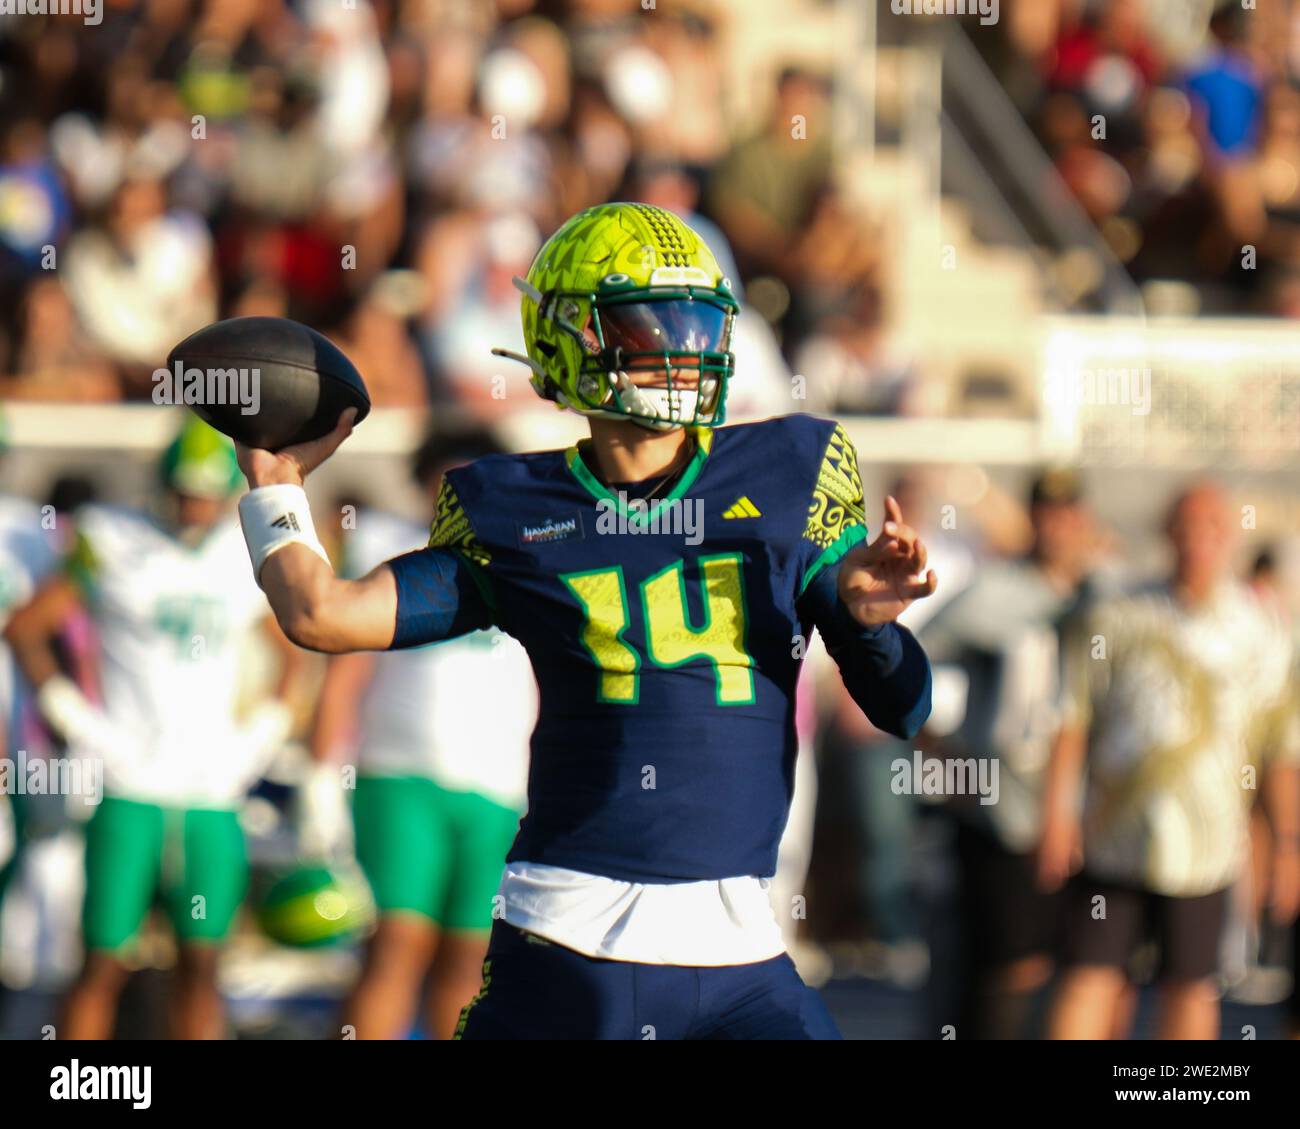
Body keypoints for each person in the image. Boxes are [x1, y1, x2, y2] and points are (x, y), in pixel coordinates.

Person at [233, 202, 935, 1040]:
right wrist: (275, 488)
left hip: (740, 946)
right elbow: (320, 613)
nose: (683, 350)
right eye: (652, 324)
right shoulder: (516, 508)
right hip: (569, 942)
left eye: (697, 323)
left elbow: (904, 705)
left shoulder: (787, 474)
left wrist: (866, 623)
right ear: (570, 336)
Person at [4, 418, 304, 1040]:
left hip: (211, 790)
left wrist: (265, 733)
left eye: (204, 494)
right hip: (129, 781)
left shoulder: (240, 551)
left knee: (203, 963)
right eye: (183, 492)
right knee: (102, 962)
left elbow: (297, 645)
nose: (193, 507)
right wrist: (69, 712)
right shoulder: (111, 537)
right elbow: (27, 626)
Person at [1039, 480, 1300, 1039]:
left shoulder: (1259, 631)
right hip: (1117, 837)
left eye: (1211, 526)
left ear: (1229, 535)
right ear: (1167, 532)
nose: (1197, 540)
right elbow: (1072, 718)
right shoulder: (1119, 616)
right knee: (1091, 975)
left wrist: (1285, 844)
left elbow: (1279, 749)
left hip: (1205, 849)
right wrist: (1058, 815)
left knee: (1190, 984)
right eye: (1186, 525)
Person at [307, 425, 536, 1039]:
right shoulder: (390, 547)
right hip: (400, 774)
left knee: (470, 960)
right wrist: (322, 772)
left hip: (497, 789)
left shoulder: (526, 561)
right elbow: (346, 670)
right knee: (396, 947)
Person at [921, 468, 1098, 1038]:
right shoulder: (994, 594)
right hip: (1006, 816)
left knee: (1083, 974)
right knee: (1006, 969)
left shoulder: (1101, 597)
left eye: (1069, 515)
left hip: (1087, 818)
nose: (1059, 528)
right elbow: (902, 665)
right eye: (1047, 514)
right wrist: (942, 755)